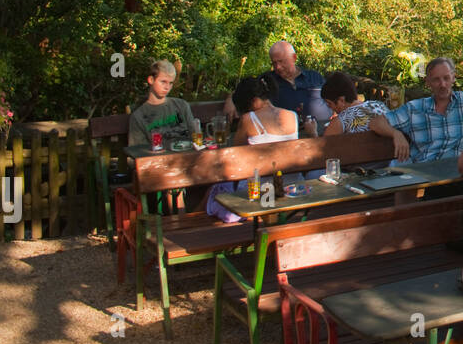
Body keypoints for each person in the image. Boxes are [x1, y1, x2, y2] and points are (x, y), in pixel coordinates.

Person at [205, 75, 301, 222]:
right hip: (292, 186)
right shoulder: (292, 116)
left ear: (253, 101)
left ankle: (186, 222)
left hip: (261, 192)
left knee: (216, 188)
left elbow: (235, 154)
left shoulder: (249, 119)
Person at [221, 41, 323, 121]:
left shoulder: (314, 77)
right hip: (283, 133)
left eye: (281, 61)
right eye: (274, 63)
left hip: (318, 129)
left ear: (294, 58)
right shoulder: (267, 80)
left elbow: (332, 96)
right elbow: (245, 90)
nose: (277, 67)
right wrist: (231, 100)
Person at [128, 60, 195, 147]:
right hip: (158, 158)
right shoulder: (138, 116)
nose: (167, 87)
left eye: (171, 83)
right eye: (163, 82)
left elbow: (195, 137)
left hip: (186, 155)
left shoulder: (182, 106)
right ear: (151, 80)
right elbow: (138, 152)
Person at [320, 72, 389, 135]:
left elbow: (319, 146)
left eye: (329, 103)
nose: (329, 107)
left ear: (341, 100)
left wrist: (312, 132)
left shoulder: (340, 122)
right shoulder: (379, 105)